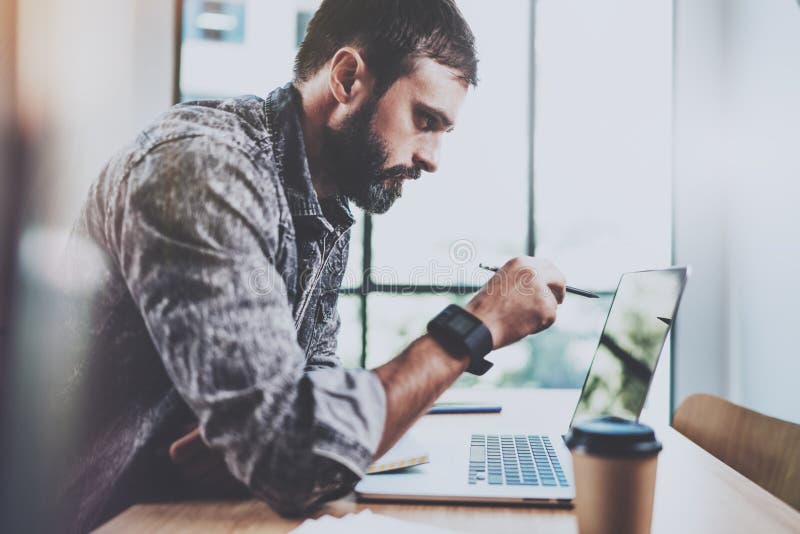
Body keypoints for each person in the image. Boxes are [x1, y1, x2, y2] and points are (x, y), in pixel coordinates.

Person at [59, 0, 566, 531]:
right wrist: (478, 324)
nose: (433, 158)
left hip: (200, 511)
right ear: (348, 78)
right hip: (106, 518)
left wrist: (286, 436)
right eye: (424, 120)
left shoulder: (322, 207)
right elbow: (292, 453)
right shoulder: (204, 171)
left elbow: (309, 411)